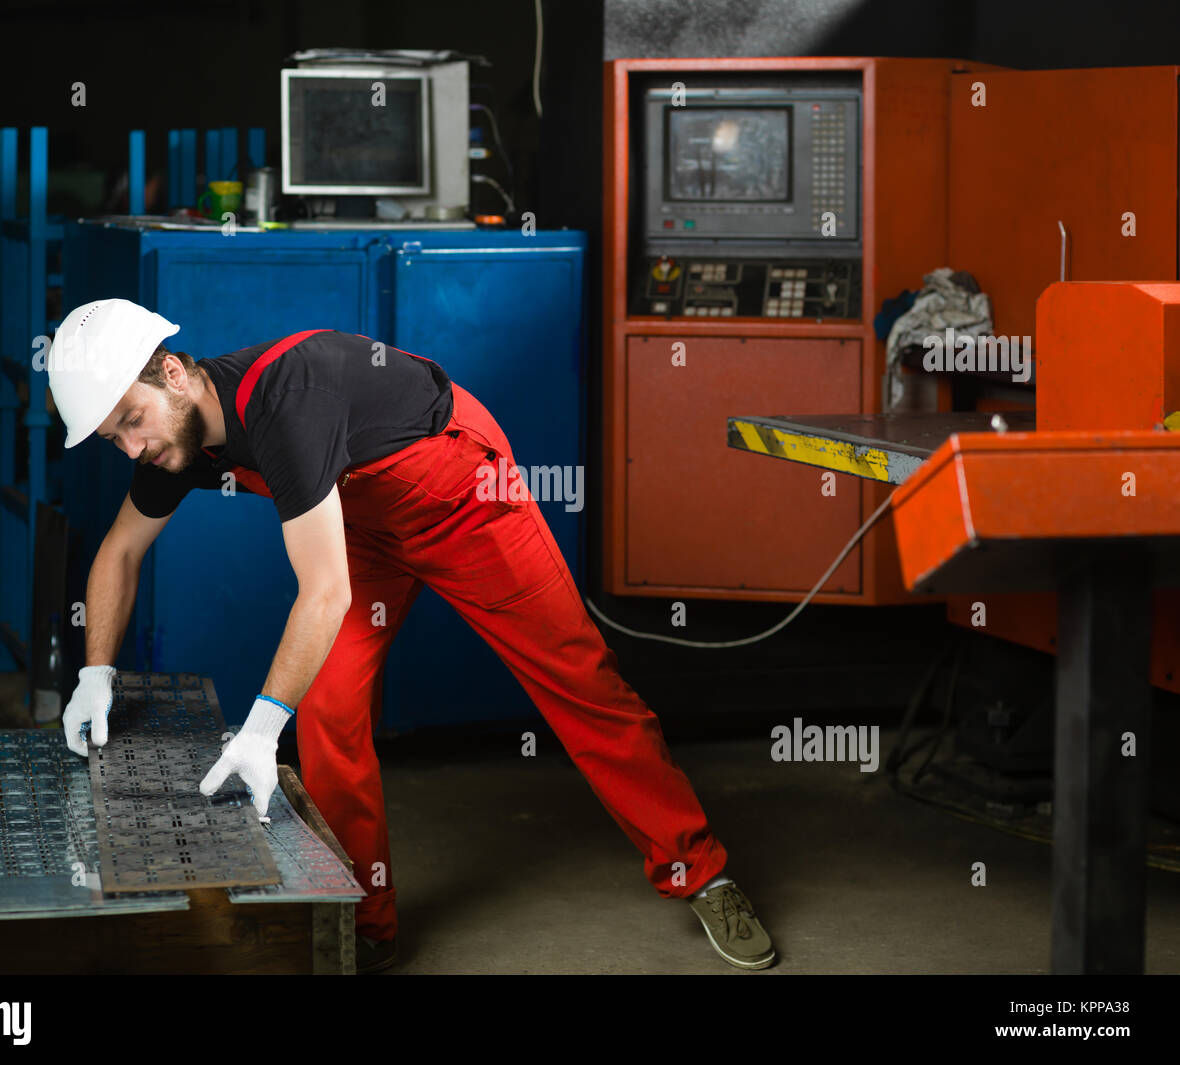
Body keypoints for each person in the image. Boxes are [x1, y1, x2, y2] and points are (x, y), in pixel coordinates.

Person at [51, 298, 775, 974]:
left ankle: (700, 869)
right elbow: (119, 550)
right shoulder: (177, 442)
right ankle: (365, 921)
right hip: (364, 531)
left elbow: (324, 591)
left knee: (581, 683)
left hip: (465, 498)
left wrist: (262, 725)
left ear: (173, 373)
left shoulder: (282, 399)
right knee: (330, 706)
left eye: (130, 420)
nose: (130, 446)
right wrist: (96, 674)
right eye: (114, 436)